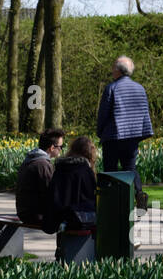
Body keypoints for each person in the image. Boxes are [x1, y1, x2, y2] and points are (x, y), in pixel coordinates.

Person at [97, 55, 153, 209]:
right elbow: (144, 113)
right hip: (133, 137)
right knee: (130, 169)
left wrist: (100, 131)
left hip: (114, 135)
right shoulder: (140, 88)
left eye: (113, 67)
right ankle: (139, 193)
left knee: (111, 169)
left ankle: (113, 202)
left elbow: (103, 113)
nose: (111, 70)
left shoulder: (112, 88)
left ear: (118, 70)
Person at [43, 136, 99, 263]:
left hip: (58, 216)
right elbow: (91, 199)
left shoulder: (60, 168)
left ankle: (60, 253)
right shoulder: (86, 171)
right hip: (77, 218)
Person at [15, 127, 65, 227]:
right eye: (60, 146)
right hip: (35, 215)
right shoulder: (42, 165)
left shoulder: (31, 160)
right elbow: (50, 193)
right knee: (72, 221)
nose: (61, 149)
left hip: (24, 212)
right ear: (52, 148)